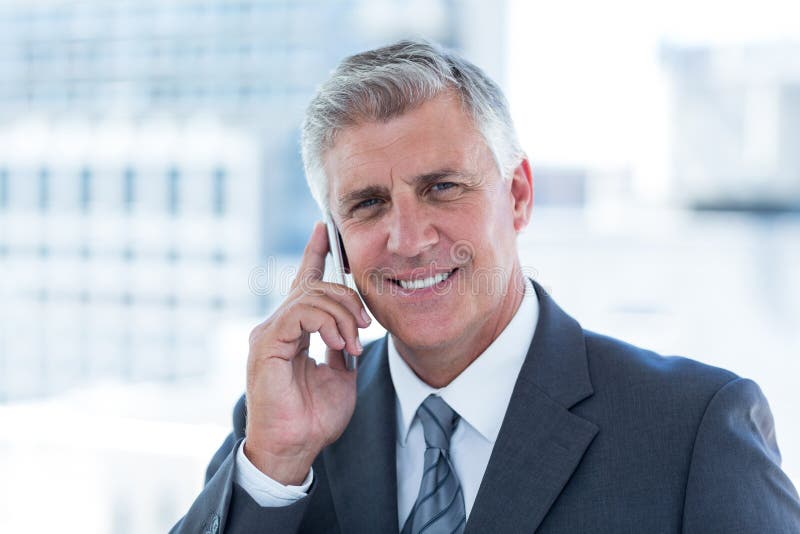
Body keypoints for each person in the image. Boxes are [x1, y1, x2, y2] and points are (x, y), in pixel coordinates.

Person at [171, 40, 800, 534]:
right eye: (368, 204)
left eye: (442, 187)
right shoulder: (281, 429)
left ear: (518, 196)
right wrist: (276, 465)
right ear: (334, 241)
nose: (408, 238)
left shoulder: (693, 429)